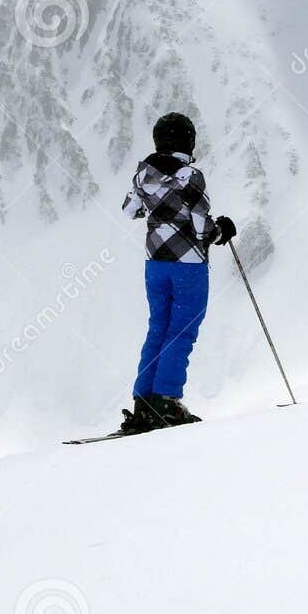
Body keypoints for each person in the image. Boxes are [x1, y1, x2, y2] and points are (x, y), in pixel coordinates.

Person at [118, 111, 236, 433]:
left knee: (158, 327)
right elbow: (201, 227)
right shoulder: (190, 176)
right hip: (188, 265)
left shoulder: (143, 175)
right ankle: (167, 402)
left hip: (154, 263)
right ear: (189, 141)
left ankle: (144, 401)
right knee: (182, 330)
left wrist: (153, 205)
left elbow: (129, 210)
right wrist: (222, 230)